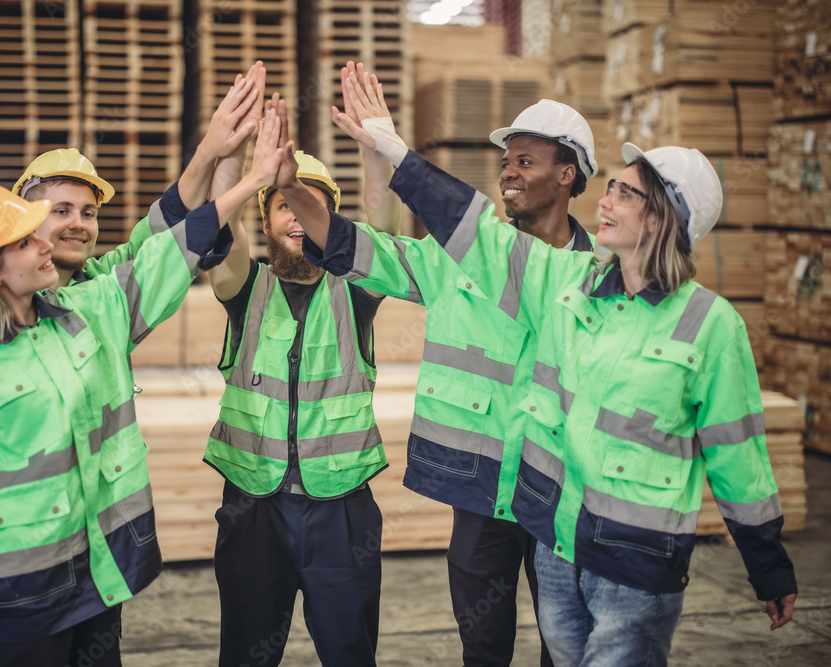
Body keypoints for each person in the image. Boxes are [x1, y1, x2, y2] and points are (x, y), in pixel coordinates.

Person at [329, 76, 799, 664]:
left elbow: (735, 454)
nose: (608, 200)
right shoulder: (540, 270)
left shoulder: (656, 304)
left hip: (598, 529)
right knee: (500, 645)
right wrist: (367, 165)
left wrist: (767, 562)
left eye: (626, 194)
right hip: (513, 501)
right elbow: (416, 237)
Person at [0, 112, 284, 667]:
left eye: (86, 212)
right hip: (16, 590)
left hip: (96, 567)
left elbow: (164, 248)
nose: (57, 235)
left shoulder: (86, 304)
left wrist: (231, 170)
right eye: (45, 223)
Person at [303, 67, 602, 667]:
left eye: (526, 161)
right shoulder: (454, 263)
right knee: (482, 648)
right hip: (482, 491)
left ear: (567, 175)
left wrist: (395, 151)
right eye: (507, 161)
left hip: (564, 496)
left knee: (566, 647)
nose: (509, 172)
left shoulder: (600, 282)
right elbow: (358, 250)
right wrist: (287, 186)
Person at [0, 75, 261, 497]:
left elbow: (161, 236)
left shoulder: (97, 285)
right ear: (24, 219)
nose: (78, 224)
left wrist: (210, 152)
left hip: (97, 510)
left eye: (88, 213)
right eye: (61, 210)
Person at [188, 84, 400, 666]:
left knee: (350, 655)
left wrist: (375, 144)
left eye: (307, 205)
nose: (296, 217)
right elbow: (216, 224)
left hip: (342, 513)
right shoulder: (242, 286)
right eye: (284, 205)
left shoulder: (354, 289)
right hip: (254, 510)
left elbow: (381, 224)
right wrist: (232, 153)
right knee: (246, 657)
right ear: (265, 217)